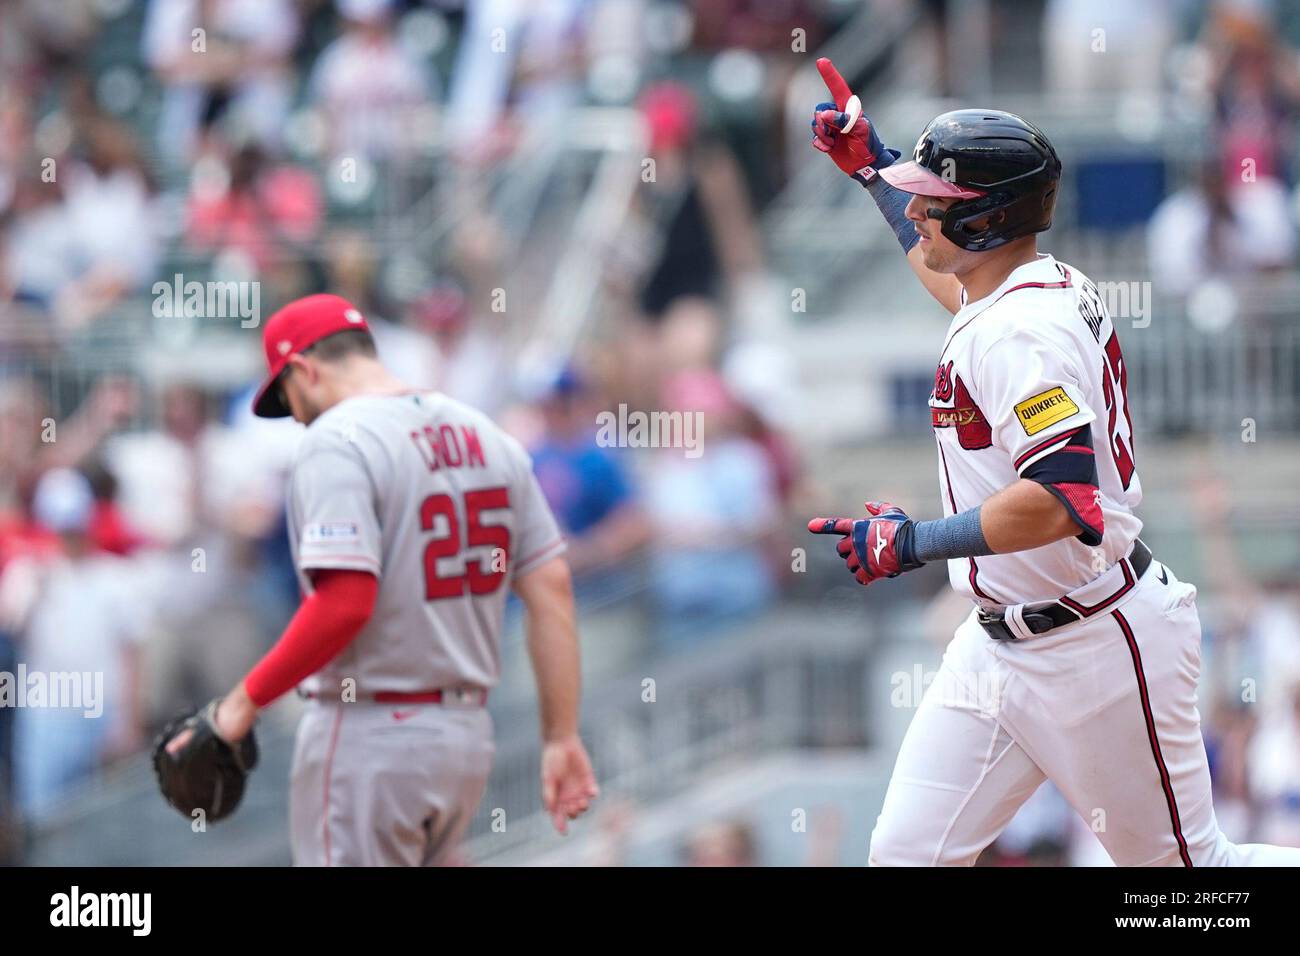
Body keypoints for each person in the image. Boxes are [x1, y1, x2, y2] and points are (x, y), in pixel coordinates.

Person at [805, 57, 1300, 867]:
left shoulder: (1022, 331)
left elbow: (1062, 497)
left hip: (1094, 639)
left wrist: (914, 542)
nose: (921, 210)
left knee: (1187, 880)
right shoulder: (1014, 289)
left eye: (938, 200)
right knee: (904, 857)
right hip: (996, 645)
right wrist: (871, 169)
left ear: (987, 221)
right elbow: (949, 287)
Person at [163, 294, 597, 866]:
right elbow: (552, 588)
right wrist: (561, 735)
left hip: (370, 737)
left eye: (287, 398)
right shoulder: (488, 434)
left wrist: (241, 705)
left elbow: (345, 603)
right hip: (464, 739)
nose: (294, 416)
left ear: (303, 370)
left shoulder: (337, 439)